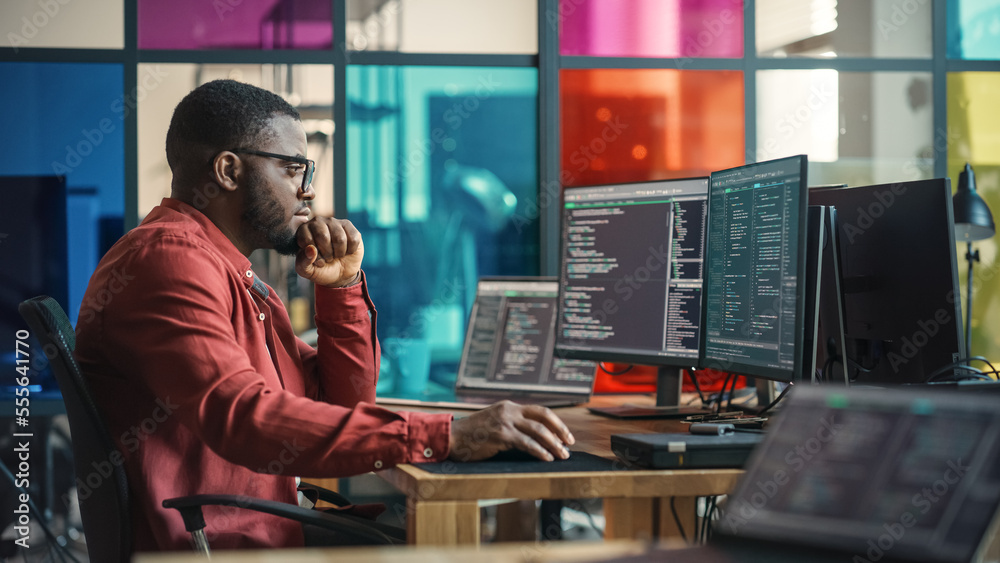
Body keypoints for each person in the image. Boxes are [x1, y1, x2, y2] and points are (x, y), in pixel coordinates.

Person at [74, 79, 574, 551]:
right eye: (294, 169)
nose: (308, 191)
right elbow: (243, 419)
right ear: (228, 171)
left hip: (256, 529)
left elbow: (345, 403)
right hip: (222, 545)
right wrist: (447, 435)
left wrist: (342, 290)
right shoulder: (169, 260)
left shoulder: (230, 273)